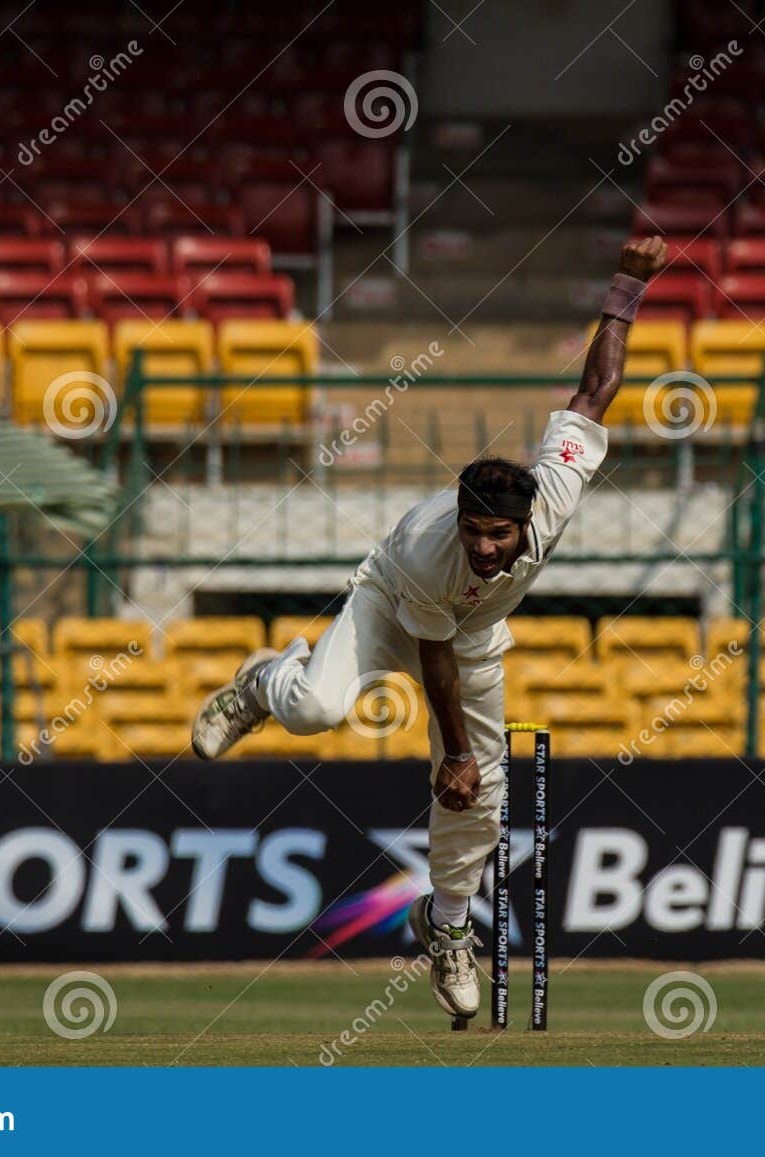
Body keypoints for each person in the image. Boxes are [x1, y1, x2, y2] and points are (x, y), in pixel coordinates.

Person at [190, 236, 668, 1023]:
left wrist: (627, 285)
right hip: (393, 605)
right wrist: (453, 752)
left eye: (498, 537)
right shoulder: (428, 547)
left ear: (524, 524)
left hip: (473, 640)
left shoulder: (553, 493)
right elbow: (432, 652)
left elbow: (598, 387)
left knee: (483, 801)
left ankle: (445, 930)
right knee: (315, 710)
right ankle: (262, 681)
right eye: (474, 530)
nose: (485, 547)